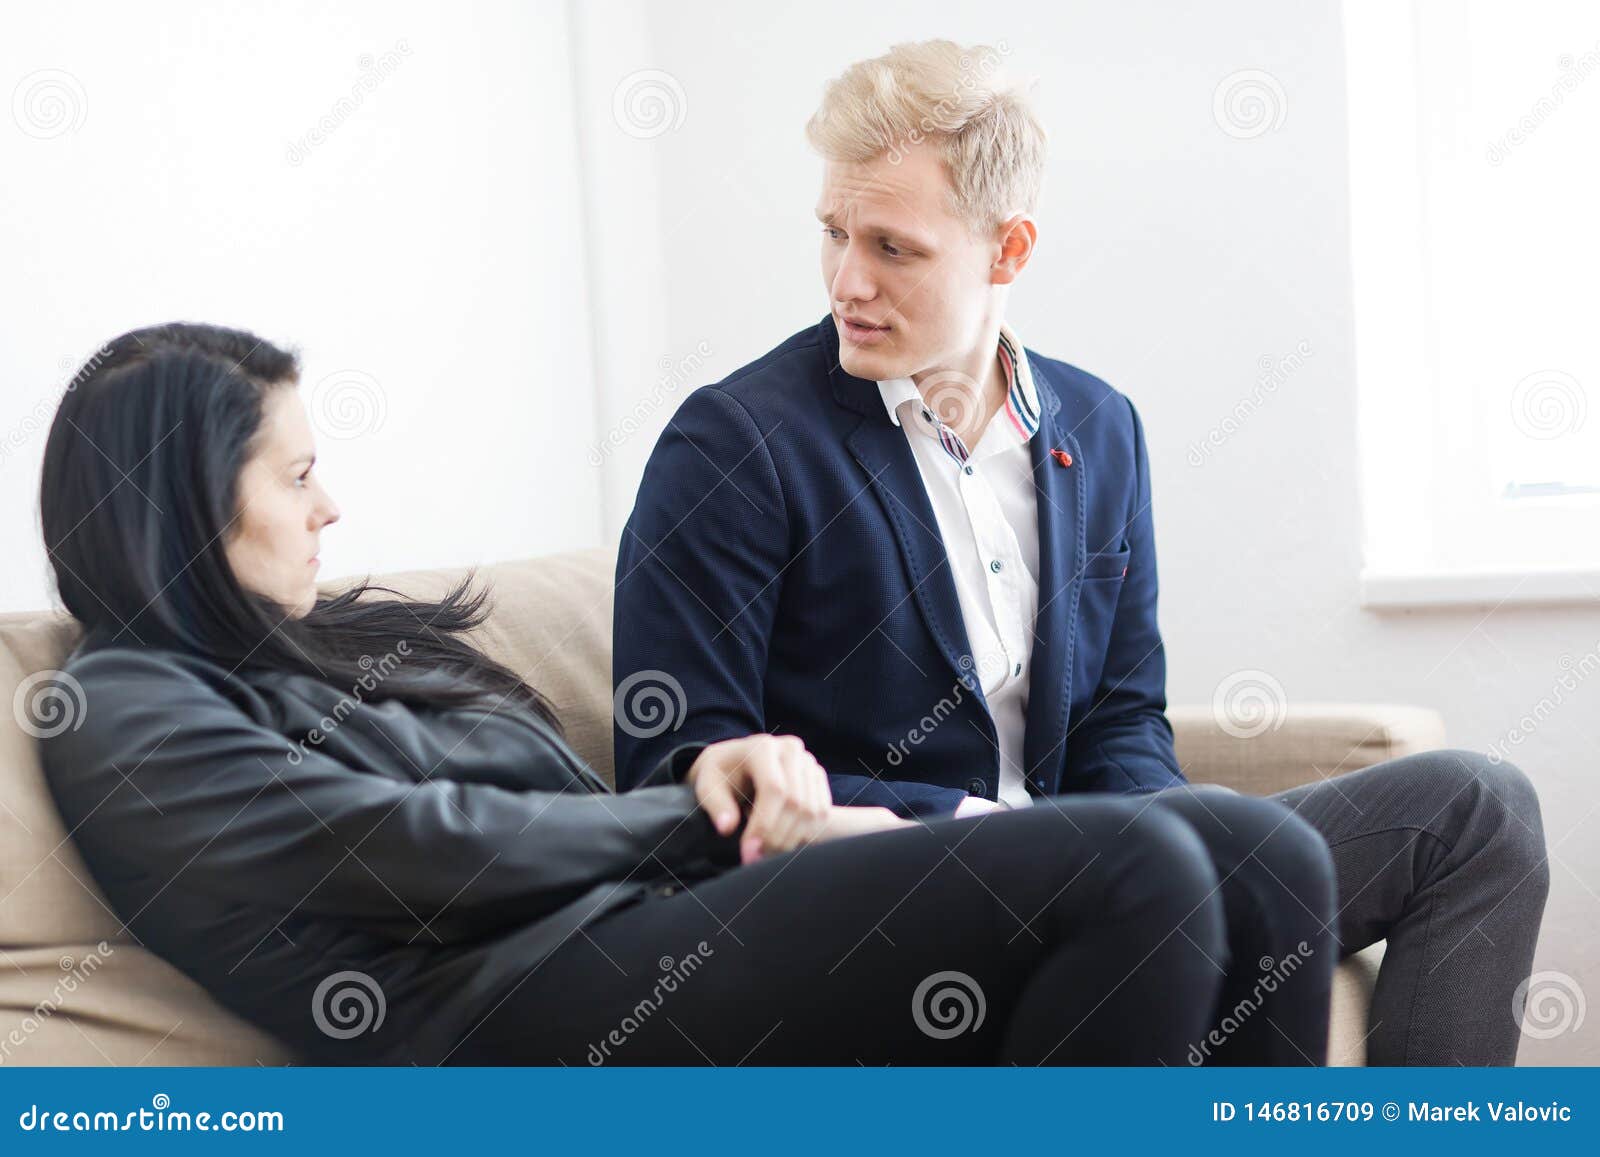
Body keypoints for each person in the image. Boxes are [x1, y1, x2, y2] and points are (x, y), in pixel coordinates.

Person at [34, 323, 1335, 1066]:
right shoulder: (122, 709)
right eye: (296, 474)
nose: (333, 507)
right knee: (1135, 868)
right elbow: (412, 849)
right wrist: (707, 816)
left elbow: (517, 772)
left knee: (1258, 852)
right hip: (509, 1024)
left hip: (634, 927)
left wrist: (733, 809)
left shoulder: (314, 649)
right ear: (188, 505)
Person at [613, 40, 1550, 1065]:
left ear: (1007, 250)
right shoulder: (735, 444)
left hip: (1112, 874)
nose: (847, 281)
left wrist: (1168, 840)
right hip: (900, 893)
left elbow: (1116, 714)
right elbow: (673, 767)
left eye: (893, 247)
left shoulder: (1098, 427)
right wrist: (980, 822)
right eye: (833, 234)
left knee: (1476, 805)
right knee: (1219, 859)